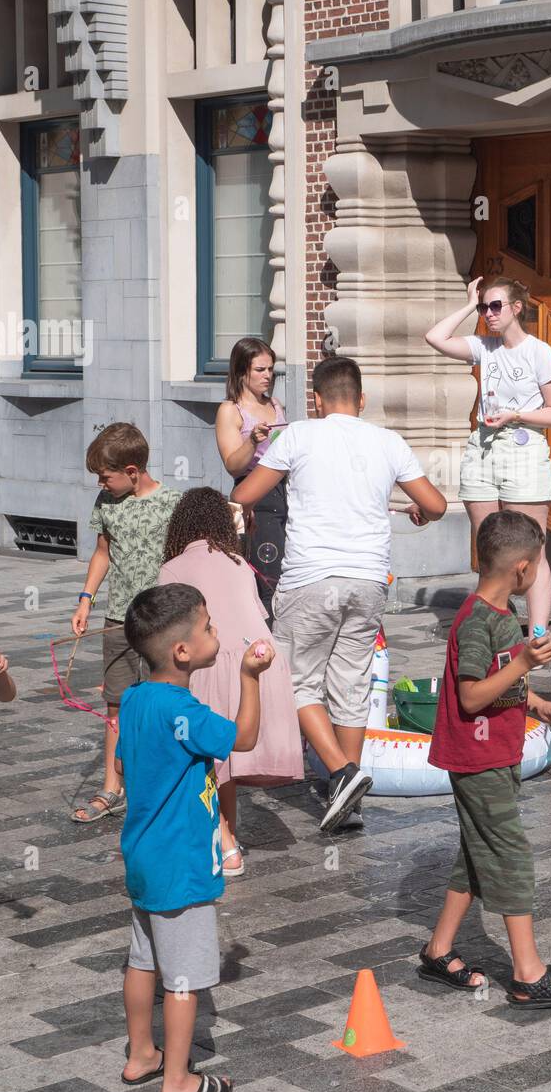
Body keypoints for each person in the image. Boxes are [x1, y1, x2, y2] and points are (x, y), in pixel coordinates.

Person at [233, 357, 448, 832]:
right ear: (362, 400)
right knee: (351, 689)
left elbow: (246, 493)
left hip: (311, 578)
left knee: (293, 681)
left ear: (316, 400)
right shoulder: (387, 441)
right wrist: (417, 510)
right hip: (369, 581)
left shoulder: (299, 436)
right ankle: (347, 800)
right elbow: (436, 505)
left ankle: (342, 773)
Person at [420, 511, 551, 1008]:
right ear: (521, 570)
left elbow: (502, 686)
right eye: (538, 568)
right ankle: (528, 973)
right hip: (477, 760)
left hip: (492, 755)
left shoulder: (498, 618)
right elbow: (472, 696)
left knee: (478, 852)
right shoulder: (479, 621)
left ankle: (438, 950)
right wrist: (524, 662)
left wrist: (538, 705)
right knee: (511, 855)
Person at [116, 583, 274, 1092]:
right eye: (207, 627)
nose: (215, 632)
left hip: (142, 857)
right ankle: (178, 1081)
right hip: (182, 862)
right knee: (181, 977)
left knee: (143, 961)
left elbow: (121, 763)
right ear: (182, 652)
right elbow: (245, 738)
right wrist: (250, 677)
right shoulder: (183, 711)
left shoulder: (138, 697)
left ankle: (141, 1055)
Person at [159, 488, 304, 879]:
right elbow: (255, 614)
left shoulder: (173, 566)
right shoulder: (239, 560)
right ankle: (229, 842)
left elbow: (164, 629)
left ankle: (222, 843)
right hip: (258, 661)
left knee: (204, 759)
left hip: (212, 665)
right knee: (226, 761)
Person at [424, 275, 551, 636]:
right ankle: (491, 630)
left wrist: (516, 415)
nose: (489, 313)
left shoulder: (539, 352)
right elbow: (435, 338)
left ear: (516, 308)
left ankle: (537, 634)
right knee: (489, 547)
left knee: (530, 545)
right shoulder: (483, 346)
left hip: (523, 445)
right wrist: (469, 304)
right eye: (485, 307)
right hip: (483, 448)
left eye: (495, 306)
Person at [70, 424, 181, 824]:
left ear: (132, 470)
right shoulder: (106, 501)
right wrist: (86, 599)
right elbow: (102, 552)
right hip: (118, 618)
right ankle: (112, 788)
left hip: (162, 623)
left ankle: (165, 786)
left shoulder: (172, 503)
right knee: (115, 703)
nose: (101, 483)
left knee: (164, 703)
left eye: (106, 476)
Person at [215, 338, 288, 625]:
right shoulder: (230, 410)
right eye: (260, 369)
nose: (267, 375)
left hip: (284, 490)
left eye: (270, 369)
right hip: (253, 494)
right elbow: (232, 463)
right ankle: (265, 639)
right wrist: (251, 440)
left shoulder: (275, 404)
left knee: (286, 569)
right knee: (265, 576)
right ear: (242, 371)